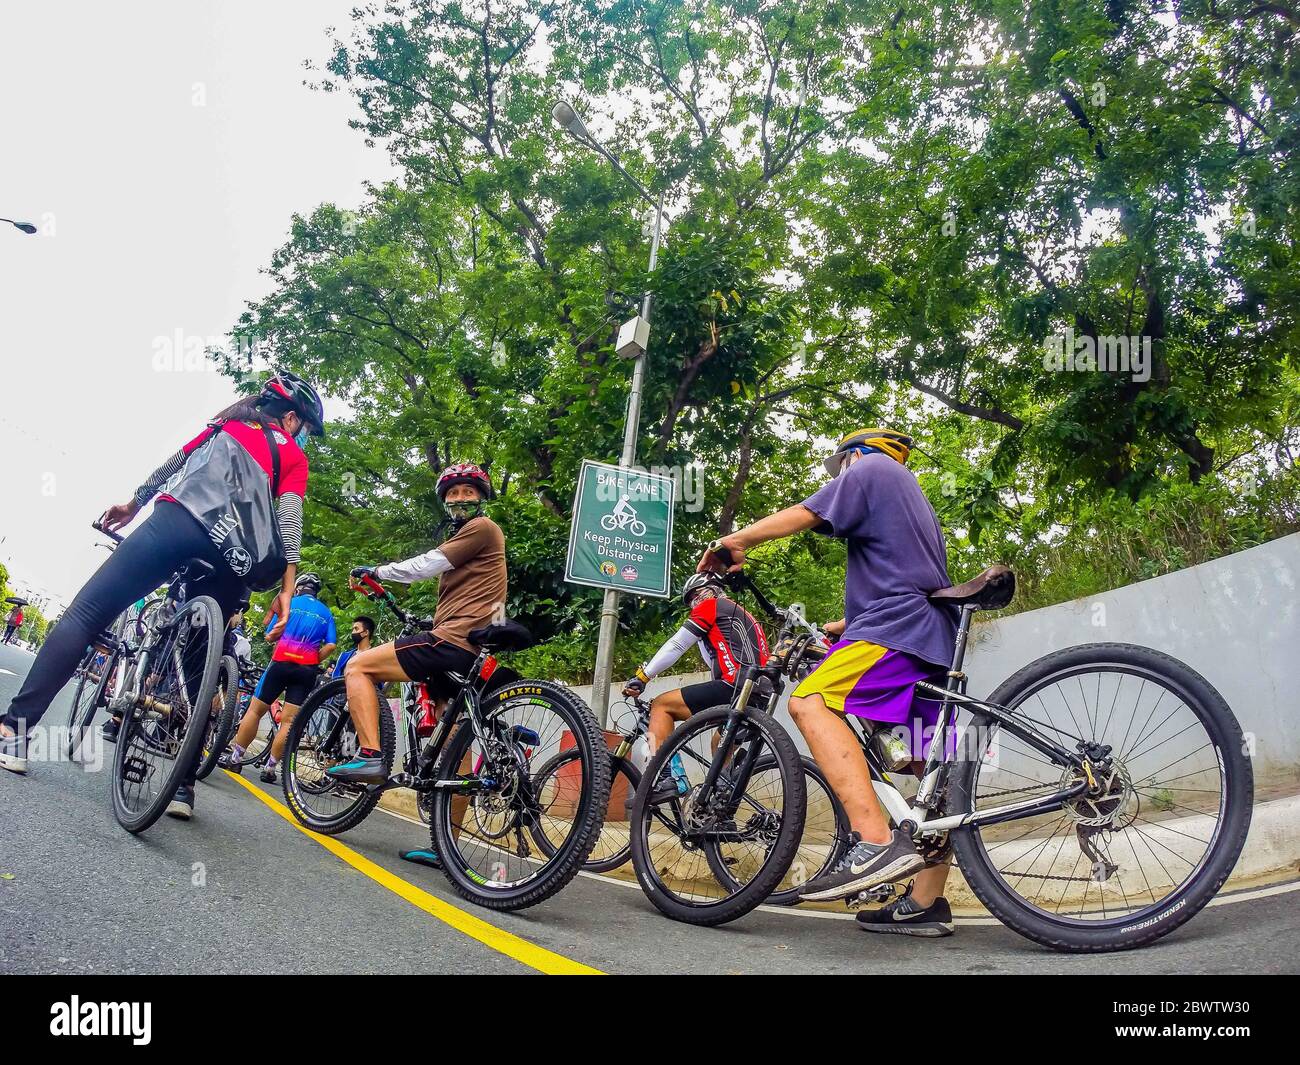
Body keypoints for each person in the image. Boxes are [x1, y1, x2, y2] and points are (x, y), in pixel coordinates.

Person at [0, 371, 325, 804]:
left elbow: (170, 466)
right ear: (290, 419)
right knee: (201, 663)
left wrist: (132, 504)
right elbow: (289, 523)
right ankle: (182, 788)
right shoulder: (293, 458)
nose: (301, 435)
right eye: (303, 427)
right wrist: (287, 586)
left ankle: (14, 734)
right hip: (230, 554)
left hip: (175, 524)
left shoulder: (224, 425)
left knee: (86, 614)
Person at [698, 427, 960, 936]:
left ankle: (874, 843)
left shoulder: (872, 468)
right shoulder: (910, 497)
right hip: (925, 631)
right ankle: (927, 902)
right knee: (928, 773)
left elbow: (805, 514)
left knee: (811, 702)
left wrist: (734, 541)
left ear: (852, 456)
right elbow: (904, 574)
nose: (837, 478)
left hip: (898, 628)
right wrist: (843, 627)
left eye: (837, 468)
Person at [325, 462, 505, 786]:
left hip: (453, 640)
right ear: (446, 501)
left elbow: (427, 564)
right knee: (451, 734)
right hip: (468, 643)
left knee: (357, 667)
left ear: (481, 498)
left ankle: (370, 756)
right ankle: (443, 825)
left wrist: (377, 571)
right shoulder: (475, 542)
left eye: (468, 491)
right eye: (453, 493)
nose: (460, 497)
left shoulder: (482, 528)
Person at [621, 571, 769, 798]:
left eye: (697, 595)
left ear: (713, 590)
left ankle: (666, 778)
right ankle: (722, 806)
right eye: (691, 601)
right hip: (758, 695)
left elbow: (677, 645)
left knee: (661, 706)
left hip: (733, 685)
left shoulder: (712, 606)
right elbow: (715, 658)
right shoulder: (744, 614)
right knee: (719, 745)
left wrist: (643, 677)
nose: (695, 603)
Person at [220, 574, 336, 784]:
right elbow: (331, 645)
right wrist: (312, 659)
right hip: (306, 669)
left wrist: (274, 637)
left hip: (281, 662)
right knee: (289, 722)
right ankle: (270, 768)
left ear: (298, 587)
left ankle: (235, 758)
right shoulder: (326, 613)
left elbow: (270, 634)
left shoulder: (288, 603)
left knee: (255, 711)